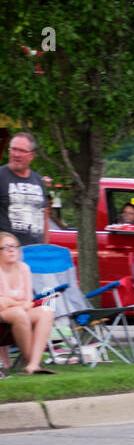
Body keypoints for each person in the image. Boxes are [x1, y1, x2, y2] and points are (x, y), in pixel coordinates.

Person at [0, 231, 56, 373]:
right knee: (19, 312)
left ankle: (33, 365)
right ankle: (30, 360)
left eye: (14, 246)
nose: (12, 250)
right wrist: (17, 304)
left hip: (19, 312)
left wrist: (11, 302)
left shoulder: (24, 268)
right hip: (5, 315)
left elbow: (28, 300)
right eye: (6, 247)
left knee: (46, 311)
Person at [0, 132, 48, 247]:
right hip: (7, 255)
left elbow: (45, 217)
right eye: (13, 149)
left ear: (31, 155)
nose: (16, 154)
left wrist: (45, 248)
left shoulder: (38, 180)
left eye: (21, 151)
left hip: (34, 253)